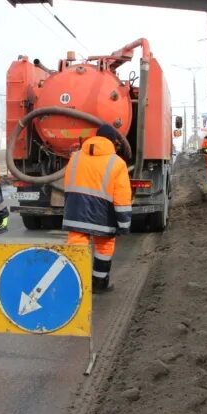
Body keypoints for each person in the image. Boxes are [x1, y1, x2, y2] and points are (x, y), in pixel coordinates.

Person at [62, 124, 132, 293]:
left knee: (76, 245)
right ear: (113, 142)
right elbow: (122, 197)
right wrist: (124, 225)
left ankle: (76, 284)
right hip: (103, 215)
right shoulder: (117, 163)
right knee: (104, 247)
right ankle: (99, 284)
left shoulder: (76, 157)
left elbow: (67, 183)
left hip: (75, 211)